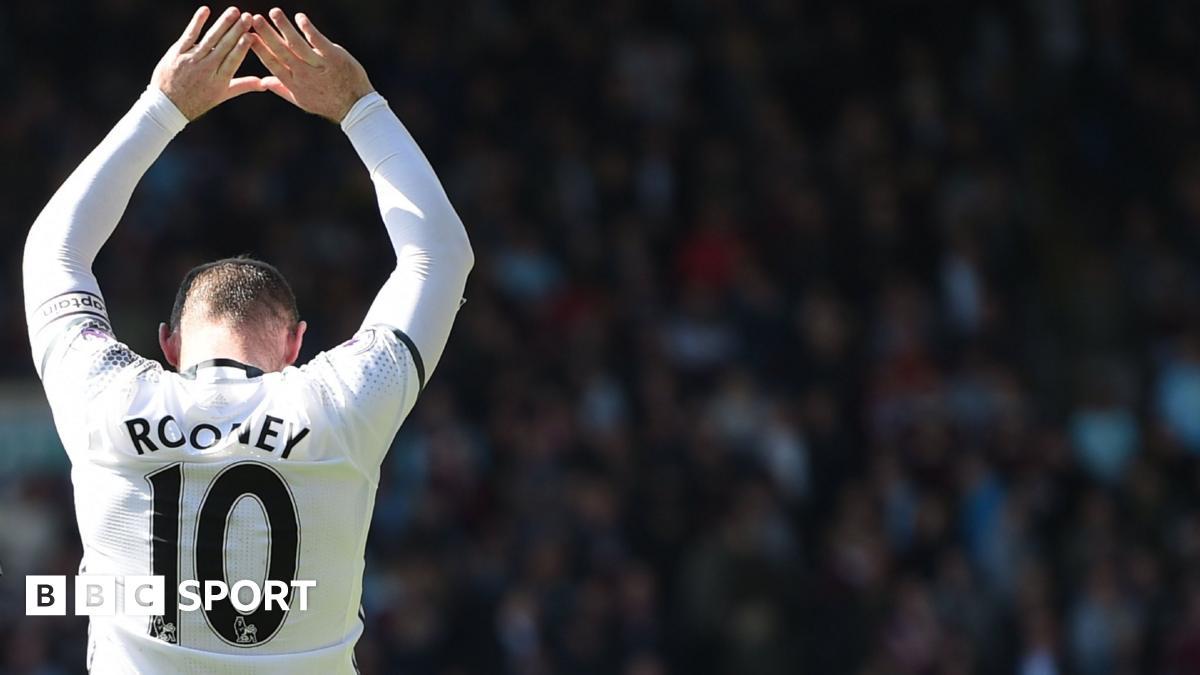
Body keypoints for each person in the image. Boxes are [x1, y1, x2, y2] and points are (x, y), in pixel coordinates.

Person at [21, 5, 473, 673]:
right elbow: (439, 252)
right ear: (294, 344)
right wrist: (359, 106)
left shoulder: (107, 399)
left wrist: (162, 107)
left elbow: (52, 253)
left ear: (169, 344)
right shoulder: (341, 402)